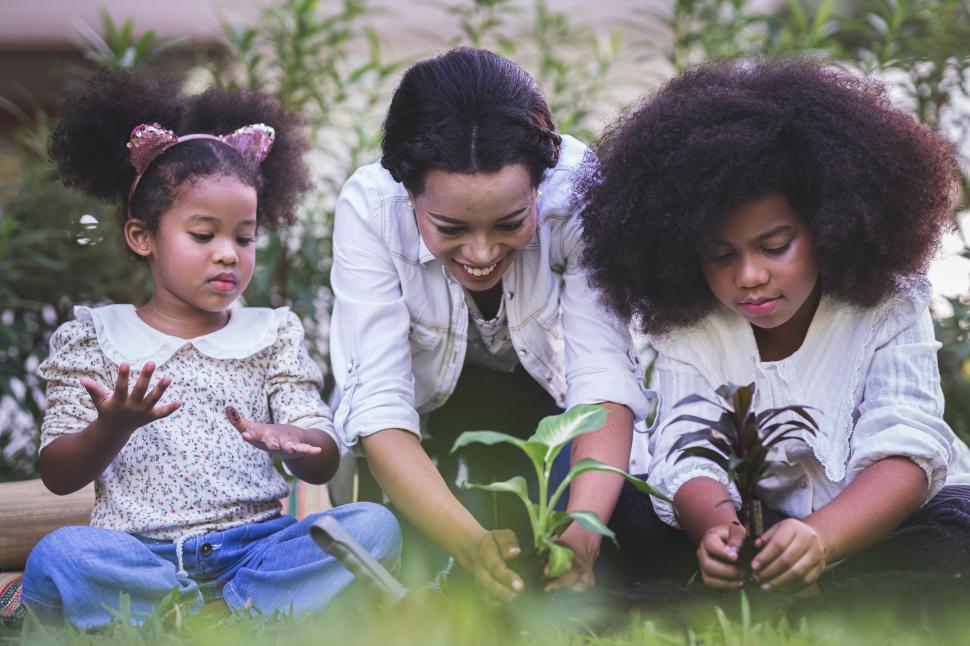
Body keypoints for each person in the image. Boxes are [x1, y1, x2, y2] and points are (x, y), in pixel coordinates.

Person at [22, 70, 401, 629]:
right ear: (141, 237)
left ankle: (213, 616)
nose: (229, 254)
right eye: (204, 235)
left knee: (372, 525)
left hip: (257, 548)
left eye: (244, 237)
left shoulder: (272, 334)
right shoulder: (95, 338)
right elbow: (57, 475)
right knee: (60, 556)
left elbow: (323, 458)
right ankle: (221, 616)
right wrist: (112, 426)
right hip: (141, 555)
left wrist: (295, 442)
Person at [577, 59, 970, 590]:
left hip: (894, 520)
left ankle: (812, 589)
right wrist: (720, 532)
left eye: (775, 246)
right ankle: (802, 590)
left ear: (831, 223)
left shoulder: (888, 304)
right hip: (766, 527)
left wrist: (821, 539)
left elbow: (907, 450)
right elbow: (687, 453)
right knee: (627, 510)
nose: (749, 275)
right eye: (721, 255)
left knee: (958, 537)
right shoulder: (692, 326)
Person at [329, 46, 648, 600]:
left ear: (539, 187)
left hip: (549, 395)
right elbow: (379, 402)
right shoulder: (370, 208)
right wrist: (469, 543)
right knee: (406, 574)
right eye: (450, 227)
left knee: (634, 541)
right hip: (428, 412)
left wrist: (583, 536)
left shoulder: (577, 193)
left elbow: (603, 378)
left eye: (510, 222)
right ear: (408, 194)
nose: (481, 252)